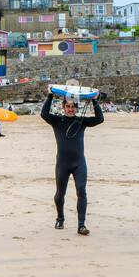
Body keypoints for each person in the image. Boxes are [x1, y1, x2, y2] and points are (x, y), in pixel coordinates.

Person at [39, 92, 104, 235]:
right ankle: (60, 218)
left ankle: (81, 225)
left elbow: (99, 119)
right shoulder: (57, 121)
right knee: (60, 193)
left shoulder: (81, 121)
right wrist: (50, 96)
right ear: (63, 107)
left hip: (79, 163)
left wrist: (94, 101)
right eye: (67, 106)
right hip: (62, 163)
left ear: (77, 108)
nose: (70, 109)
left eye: (73, 107)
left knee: (81, 190)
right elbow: (44, 114)